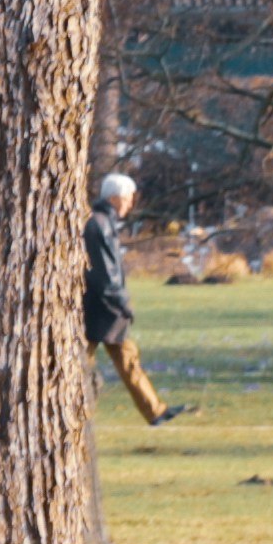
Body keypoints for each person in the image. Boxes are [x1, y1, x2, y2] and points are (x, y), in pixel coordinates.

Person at [87, 171, 187, 425]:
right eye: (128, 198)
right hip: (100, 308)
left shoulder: (102, 222)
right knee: (85, 363)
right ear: (114, 198)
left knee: (127, 357)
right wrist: (122, 301)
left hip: (104, 307)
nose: (131, 203)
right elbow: (105, 271)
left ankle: (155, 411)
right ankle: (153, 411)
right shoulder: (99, 224)